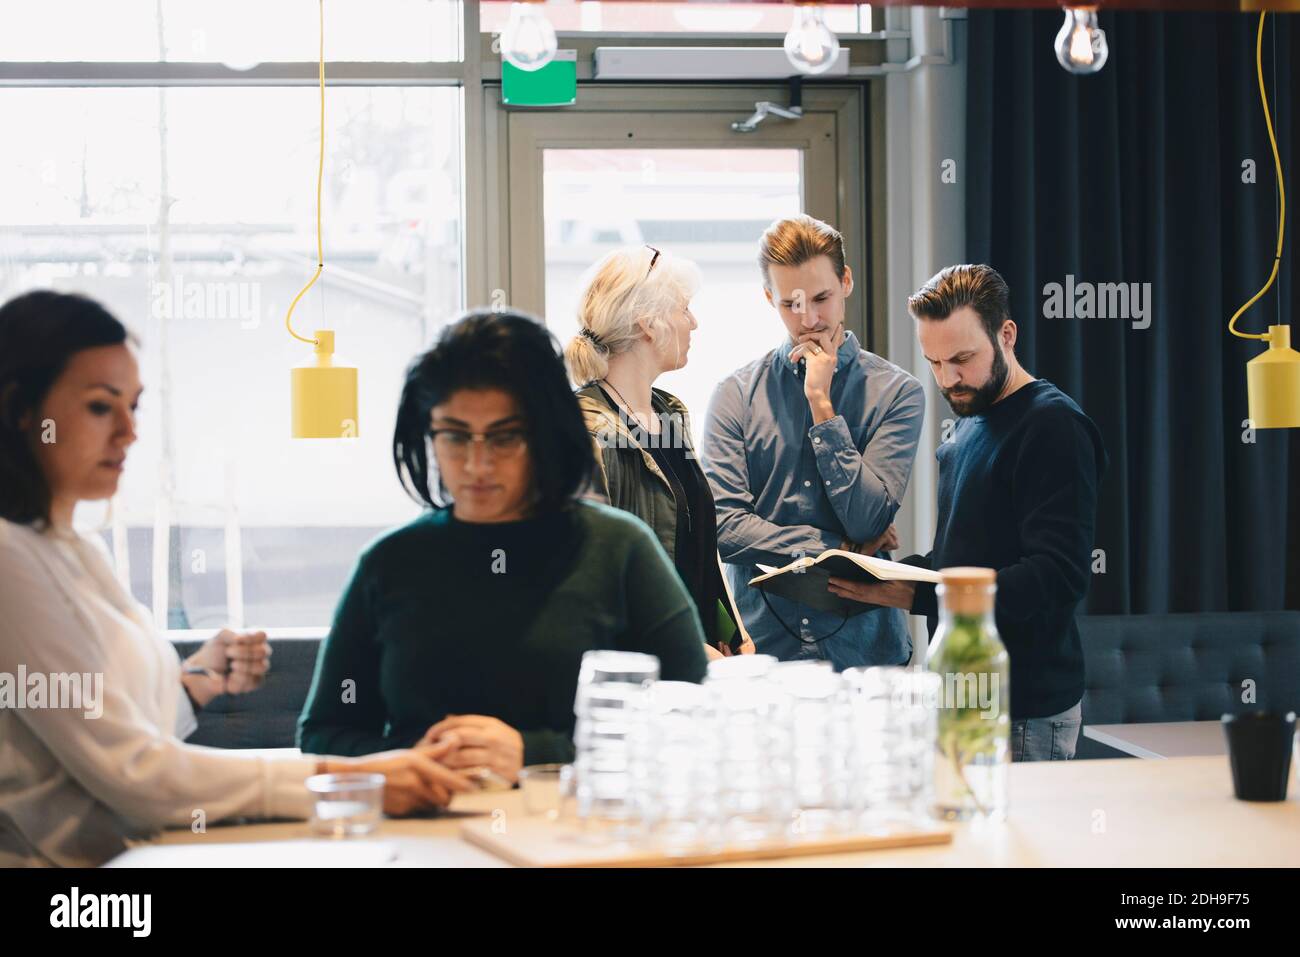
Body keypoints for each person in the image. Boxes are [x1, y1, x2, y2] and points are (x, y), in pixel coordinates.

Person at [0, 290, 470, 867]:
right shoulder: (9, 558)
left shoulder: (72, 547)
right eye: (101, 406)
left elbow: (114, 727)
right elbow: (134, 772)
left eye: (135, 406)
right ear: (22, 409)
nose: (129, 432)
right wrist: (348, 778)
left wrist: (196, 679)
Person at [298, 309, 708, 781]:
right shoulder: (390, 564)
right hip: (429, 842)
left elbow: (691, 717)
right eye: (454, 436)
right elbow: (323, 734)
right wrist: (409, 759)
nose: (476, 464)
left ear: (544, 437)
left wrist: (536, 753)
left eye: (504, 437)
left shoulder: (618, 549)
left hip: (576, 843)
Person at [827, 264, 1107, 761]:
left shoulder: (1053, 426)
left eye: (962, 358)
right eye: (933, 362)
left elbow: (1057, 576)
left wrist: (923, 593)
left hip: (1021, 708)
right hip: (963, 698)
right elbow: (968, 556)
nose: (948, 378)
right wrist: (887, 572)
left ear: (1007, 334)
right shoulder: (969, 425)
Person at [700, 214, 925, 670]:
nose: (809, 319)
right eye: (790, 304)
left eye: (821, 298)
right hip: (761, 652)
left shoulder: (898, 393)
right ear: (769, 298)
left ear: (846, 281)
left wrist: (821, 402)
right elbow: (724, 529)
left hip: (866, 654)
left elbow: (866, 521)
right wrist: (833, 547)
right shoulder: (735, 393)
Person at [566, 245, 752, 660]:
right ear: (649, 325)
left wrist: (735, 631)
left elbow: (698, 541)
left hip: (698, 665)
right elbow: (592, 586)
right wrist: (690, 650)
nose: (694, 322)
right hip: (640, 675)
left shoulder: (669, 414)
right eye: (684, 309)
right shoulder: (586, 431)